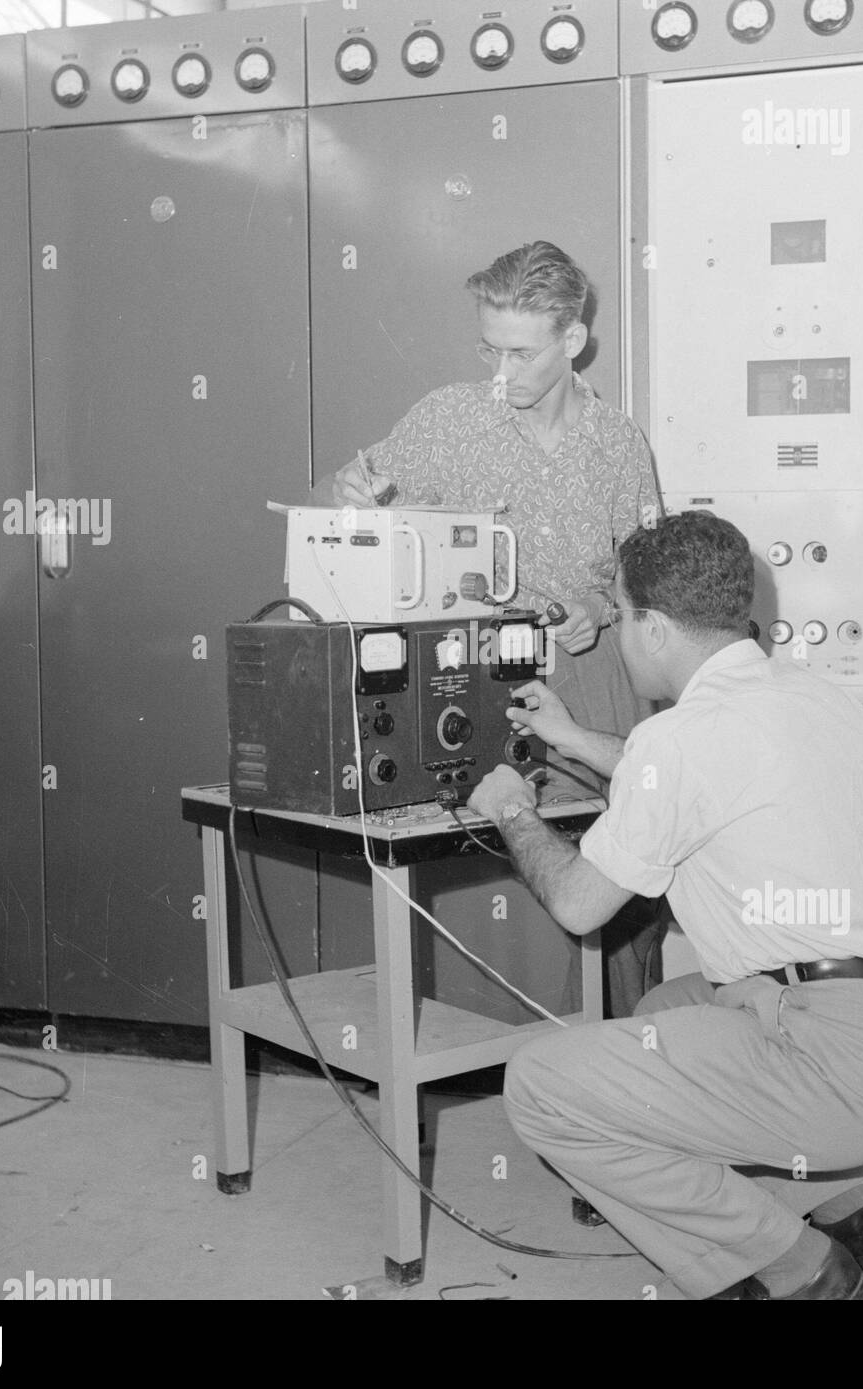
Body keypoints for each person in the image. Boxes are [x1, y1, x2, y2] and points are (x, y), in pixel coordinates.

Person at [466, 510, 863, 1299]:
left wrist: (510, 810)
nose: (622, 635)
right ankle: (861, 1214)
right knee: (668, 1004)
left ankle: (805, 1274)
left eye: (623, 616)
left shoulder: (682, 739)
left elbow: (581, 904)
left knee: (540, 1084)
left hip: (840, 1067)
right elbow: (697, 777)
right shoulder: (816, 696)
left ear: (654, 627)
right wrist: (572, 738)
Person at [314, 240, 666, 1015]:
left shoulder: (619, 444)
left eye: (520, 352)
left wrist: (602, 608)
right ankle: (533, 1059)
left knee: (624, 886)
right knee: (504, 861)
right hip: (471, 667)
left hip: (590, 672)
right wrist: (348, 493)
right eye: (489, 348)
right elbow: (333, 504)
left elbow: (646, 580)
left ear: (572, 341)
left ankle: (617, 1068)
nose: (499, 373)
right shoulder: (448, 418)